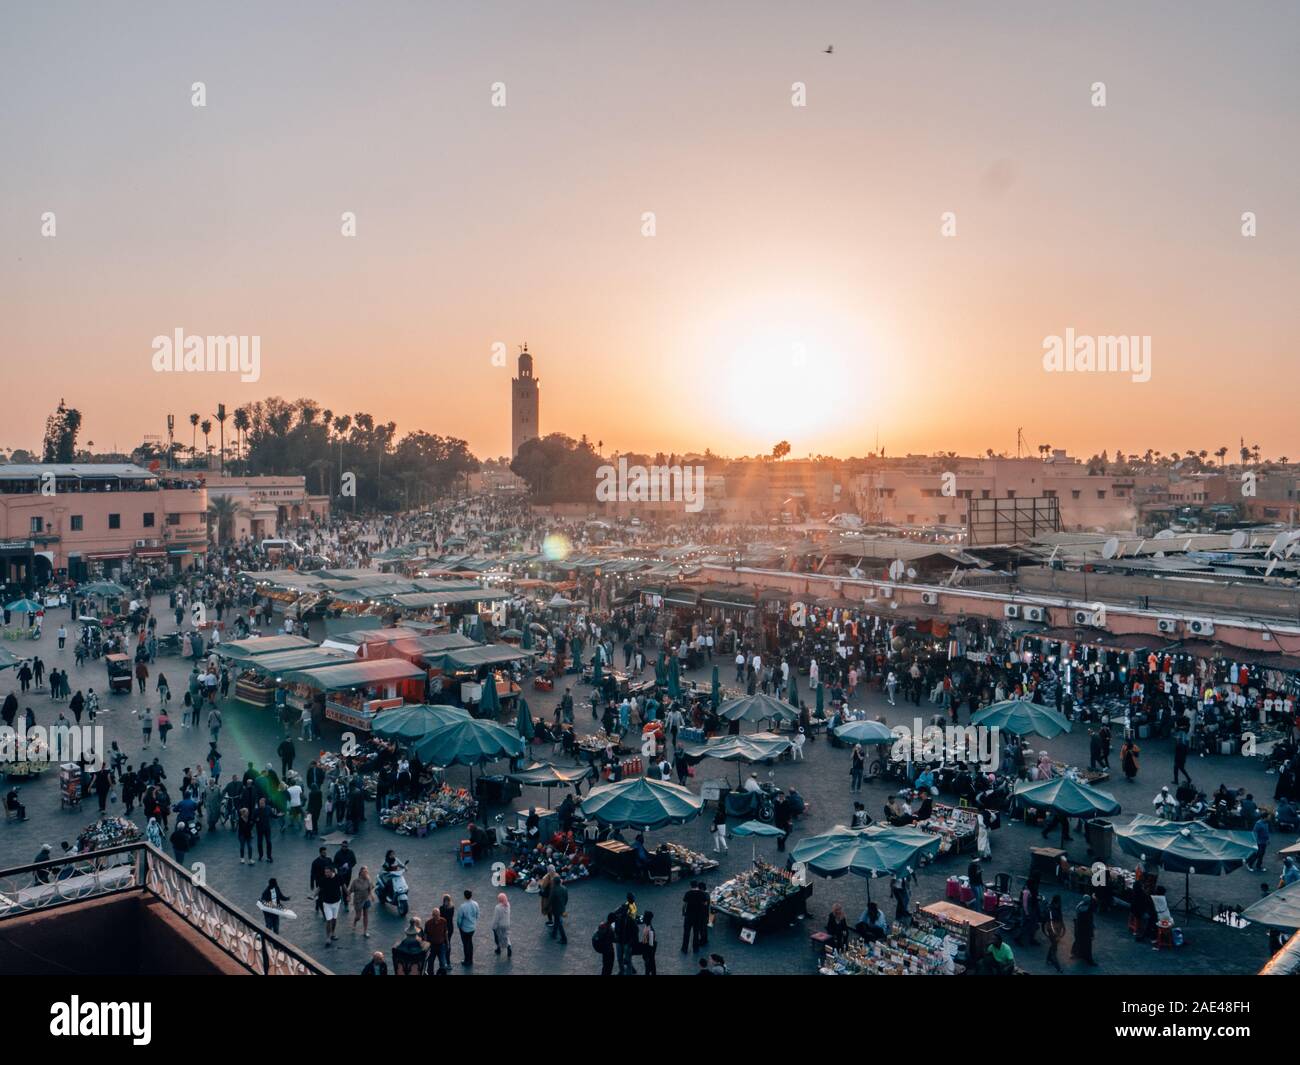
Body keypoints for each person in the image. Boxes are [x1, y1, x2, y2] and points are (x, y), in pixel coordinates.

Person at [317, 865, 343, 947]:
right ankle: (328, 937)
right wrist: (313, 895)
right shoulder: (323, 879)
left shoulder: (338, 877)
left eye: (327, 872)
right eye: (325, 872)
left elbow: (343, 886)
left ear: (332, 871)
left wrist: (348, 895)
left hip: (337, 902)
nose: (326, 874)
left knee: (334, 919)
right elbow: (319, 888)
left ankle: (333, 933)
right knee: (329, 920)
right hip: (327, 903)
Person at [681, 880, 709, 953]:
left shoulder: (688, 893)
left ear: (691, 886)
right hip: (698, 916)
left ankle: (684, 948)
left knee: (686, 932)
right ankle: (695, 948)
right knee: (696, 933)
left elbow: (684, 905)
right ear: (697, 885)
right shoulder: (702, 894)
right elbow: (705, 904)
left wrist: (683, 912)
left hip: (689, 915)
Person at [1071, 894, 1098, 965]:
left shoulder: (1079, 906)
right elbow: (1089, 920)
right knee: (1087, 944)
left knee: (1078, 940)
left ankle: (1077, 953)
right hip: (1085, 929)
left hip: (1079, 927)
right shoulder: (1087, 909)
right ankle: (1088, 959)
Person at [456, 888, 479, 966]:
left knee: (466, 944)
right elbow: (477, 915)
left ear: (464, 896)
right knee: (470, 943)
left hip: (465, 928)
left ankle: (467, 960)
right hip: (472, 927)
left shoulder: (462, 907)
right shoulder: (476, 904)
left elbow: (459, 920)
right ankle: (470, 959)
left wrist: (459, 926)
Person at [1044, 895, 1066, 972]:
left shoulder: (1056, 909)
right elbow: (1051, 924)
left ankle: (1048, 959)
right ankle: (1058, 967)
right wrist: (1055, 934)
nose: (1060, 904)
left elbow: (1060, 919)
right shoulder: (1051, 910)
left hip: (1057, 931)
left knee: (1054, 945)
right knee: (1054, 948)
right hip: (1052, 932)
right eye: (1059, 902)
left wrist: (1063, 928)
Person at [350, 866, 374, 936]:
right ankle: (355, 921)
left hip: (366, 900)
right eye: (365, 872)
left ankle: (365, 931)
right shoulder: (355, 882)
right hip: (358, 901)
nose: (366, 873)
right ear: (360, 873)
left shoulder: (368, 880)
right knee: (358, 917)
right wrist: (348, 896)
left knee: (366, 915)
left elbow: (370, 889)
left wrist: (372, 895)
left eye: (367, 871)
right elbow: (350, 890)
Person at [549, 876, 570, 945]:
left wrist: (548, 907)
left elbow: (551, 900)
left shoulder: (554, 890)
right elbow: (566, 899)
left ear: (554, 882)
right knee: (557, 920)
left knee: (559, 923)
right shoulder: (564, 888)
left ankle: (564, 938)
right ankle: (554, 933)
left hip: (556, 909)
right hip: (562, 908)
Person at [492, 892, 512, 958]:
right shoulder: (508, 904)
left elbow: (496, 918)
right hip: (507, 924)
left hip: (500, 925)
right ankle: (509, 946)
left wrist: (493, 926)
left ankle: (498, 948)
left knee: (498, 937)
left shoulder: (498, 907)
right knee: (506, 936)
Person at [639, 911, 658, 975]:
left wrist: (648, 958)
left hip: (649, 954)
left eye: (644, 917)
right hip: (647, 953)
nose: (643, 918)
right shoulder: (647, 927)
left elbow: (651, 946)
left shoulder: (650, 930)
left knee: (649, 970)